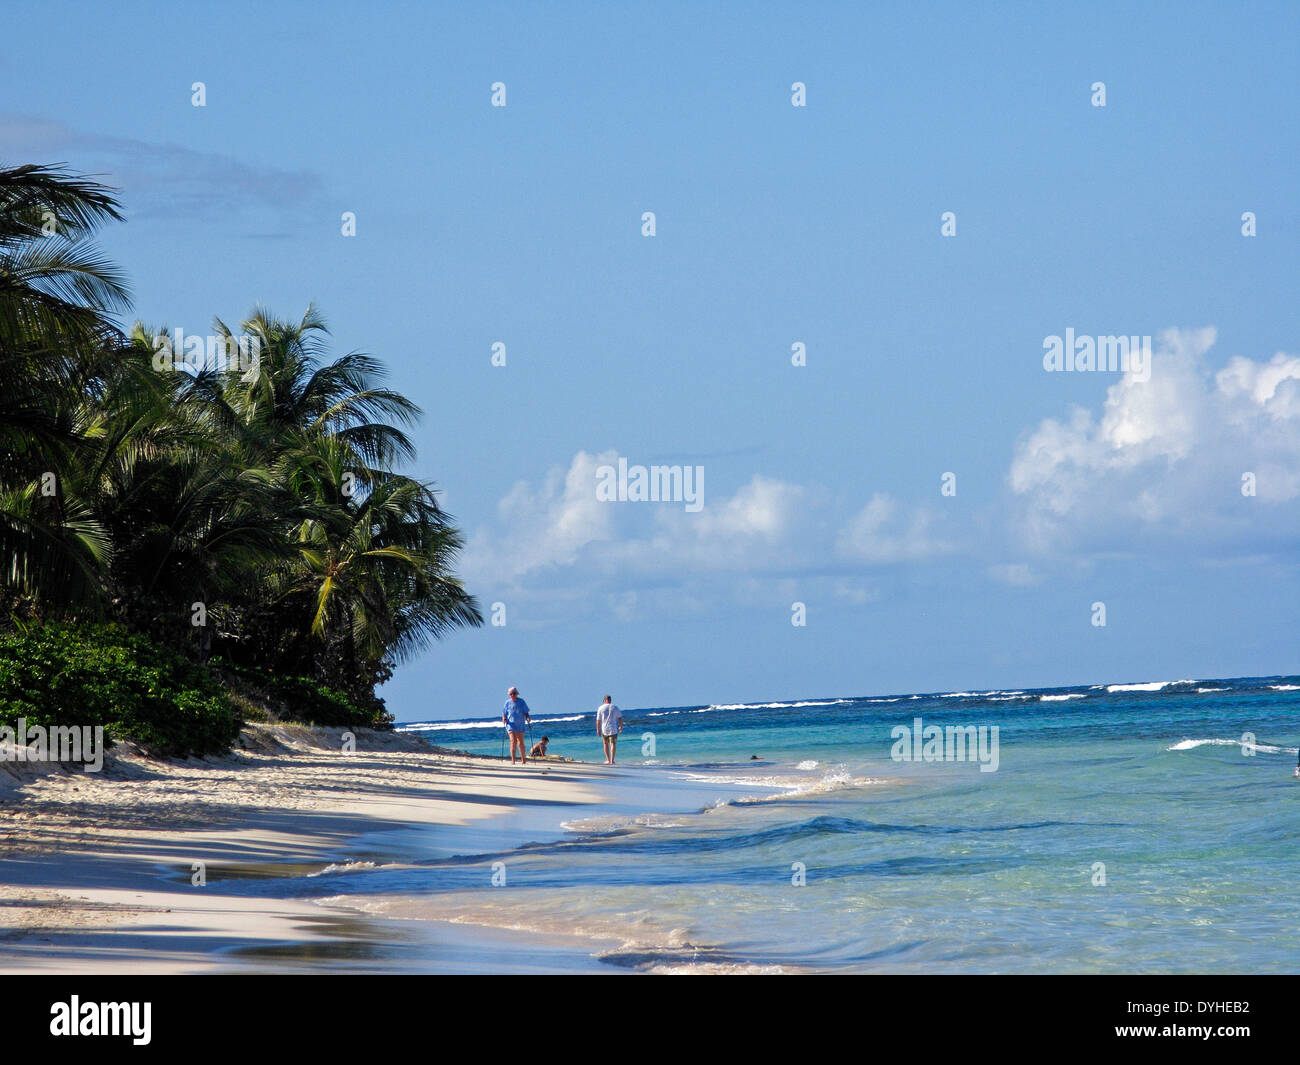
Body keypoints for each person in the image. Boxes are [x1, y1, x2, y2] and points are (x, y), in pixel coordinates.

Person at [502, 686, 531, 764]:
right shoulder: (507, 703)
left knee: (520, 743)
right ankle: (513, 760)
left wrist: (528, 717)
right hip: (510, 725)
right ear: (509, 695)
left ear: (517, 694)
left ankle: (523, 760)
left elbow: (526, 712)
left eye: (514, 693)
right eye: (511, 694)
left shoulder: (521, 702)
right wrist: (504, 719)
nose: (512, 695)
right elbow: (504, 713)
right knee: (513, 741)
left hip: (520, 725)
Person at [595, 694, 622, 765]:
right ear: (610, 700)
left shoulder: (600, 708)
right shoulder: (615, 707)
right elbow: (620, 718)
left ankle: (608, 759)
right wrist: (620, 726)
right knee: (613, 744)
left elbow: (598, 720)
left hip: (604, 728)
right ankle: (612, 760)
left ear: (604, 700)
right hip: (613, 728)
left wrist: (598, 729)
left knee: (605, 744)